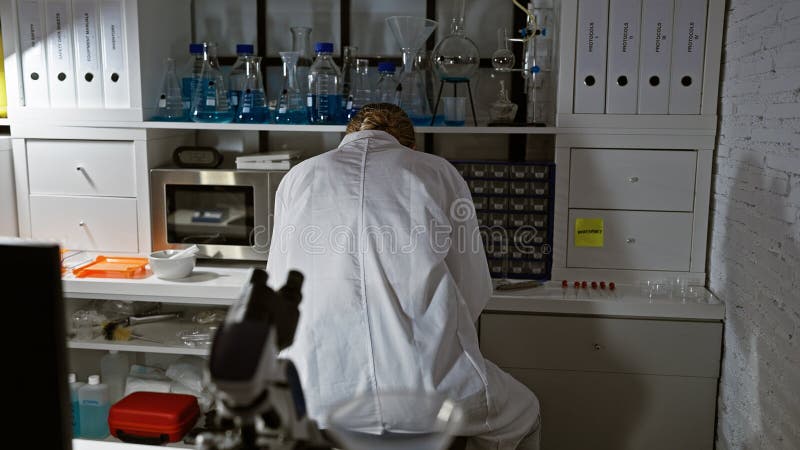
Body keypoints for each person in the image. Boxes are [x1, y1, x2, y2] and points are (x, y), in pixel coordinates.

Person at [266, 103, 541, 450]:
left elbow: (278, 286)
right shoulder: (436, 172)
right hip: (424, 396)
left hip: (315, 392)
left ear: (346, 137)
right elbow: (472, 286)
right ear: (410, 146)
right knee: (525, 412)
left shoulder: (298, 177)